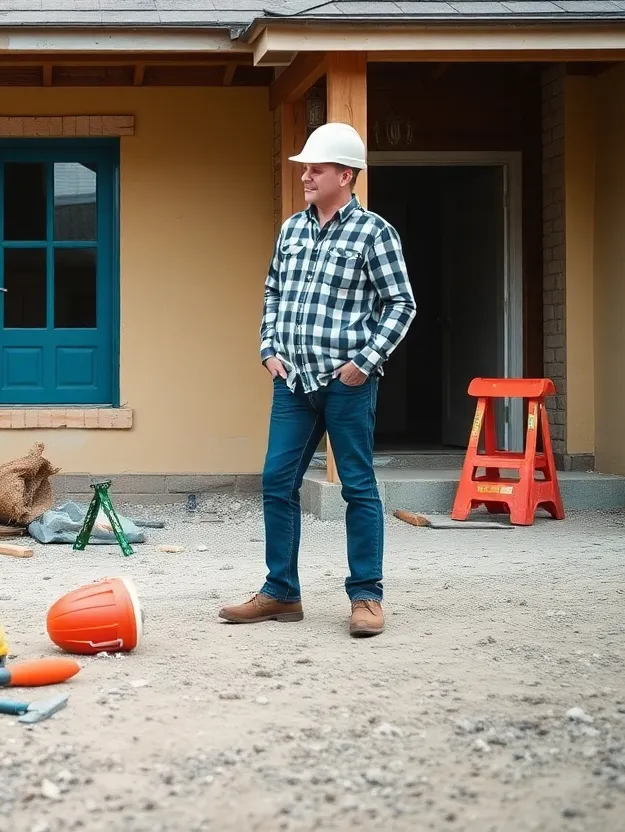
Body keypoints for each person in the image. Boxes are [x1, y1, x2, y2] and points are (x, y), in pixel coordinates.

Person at [219, 122, 417, 638]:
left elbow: (402, 304)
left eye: (316, 168)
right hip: (292, 381)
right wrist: (268, 349)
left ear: (345, 176)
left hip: (347, 383)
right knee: (276, 482)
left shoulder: (375, 233)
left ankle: (367, 597)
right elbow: (272, 291)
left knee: (358, 488)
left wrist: (366, 362)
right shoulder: (291, 229)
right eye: (305, 168)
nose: (305, 175)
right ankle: (281, 593)